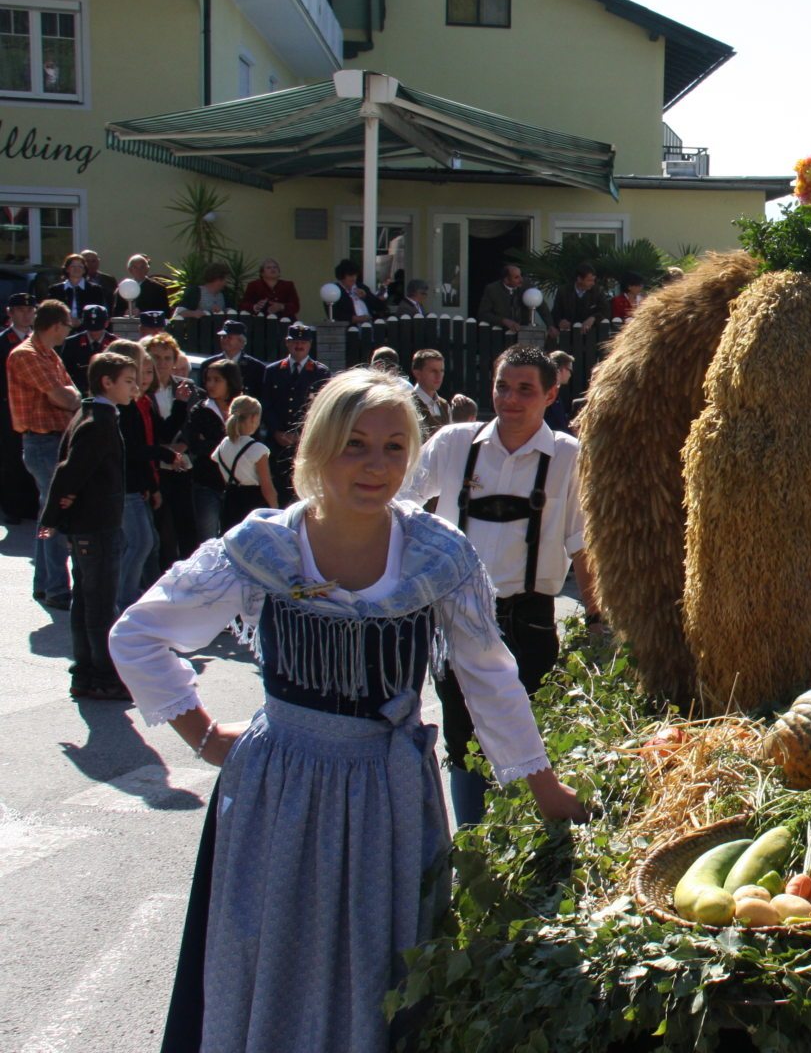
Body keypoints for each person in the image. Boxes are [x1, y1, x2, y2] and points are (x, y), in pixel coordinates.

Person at [109, 369, 587, 1052]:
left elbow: (490, 680)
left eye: (395, 448)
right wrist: (206, 735)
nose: (376, 465)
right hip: (280, 794)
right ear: (318, 448)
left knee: (376, 965)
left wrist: (546, 790)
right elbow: (137, 634)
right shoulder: (265, 547)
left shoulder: (437, 554)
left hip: (385, 797)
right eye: (356, 445)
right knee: (270, 952)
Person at [403, 345, 599, 825]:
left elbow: (581, 544)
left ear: (551, 394)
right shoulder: (452, 444)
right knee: (463, 741)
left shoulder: (569, 457)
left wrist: (596, 618)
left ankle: (519, 838)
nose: (510, 399)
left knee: (528, 742)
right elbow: (400, 507)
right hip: (455, 617)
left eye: (525, 389)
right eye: (502, 387)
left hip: (528, 618)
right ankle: (472, 844)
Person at [41, 349, 137, 701]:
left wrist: (66, 504)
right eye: (128, 381)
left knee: (85, 600)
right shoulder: (98, 421)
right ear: (106, 382)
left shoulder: (91, 412)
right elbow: (70, 469)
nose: (135, 387)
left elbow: (72, 468)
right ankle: (103, 676)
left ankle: (85, 672)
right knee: (99, 604)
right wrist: (56, 510)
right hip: (97, 526)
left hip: (90, 524)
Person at [10, 298, 79, 608]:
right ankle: (56, 589)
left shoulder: (48, 354)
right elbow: (64, 396)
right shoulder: (25, 355)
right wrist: (70, 396)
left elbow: (72, 392)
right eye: (66, 326)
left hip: (54, 441)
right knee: (56, 515)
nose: (68, 331)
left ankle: (44, 585)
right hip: (41, 443)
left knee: (47, 516)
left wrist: (71, 396)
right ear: (55, 326)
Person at [109, 339, 162, 609]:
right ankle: (123, 600)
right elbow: (133, 449)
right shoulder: (120, 407)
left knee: (142, 542)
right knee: (140, 542)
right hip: (123, 486)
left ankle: (125, 596)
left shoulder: (135, 403)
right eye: (141, 367)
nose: (144, 374)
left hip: (134, 484)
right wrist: (163, 455)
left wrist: (150, 484)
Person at [259, 323, 331, 504]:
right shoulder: (273, 371)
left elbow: (322, 408)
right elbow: (266, 405)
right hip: (277, 444)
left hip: (305, 444)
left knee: (304, 494)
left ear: (310, 344)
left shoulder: (320, 372)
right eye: (295, 341)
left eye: (304, 342)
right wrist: (276, 431)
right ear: (287, 343)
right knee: (279, 493)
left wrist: (301, 434)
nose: (299, 346)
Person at [144, 332, 197, 566]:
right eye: (156, 357)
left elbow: (195, 422)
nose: (162, 363)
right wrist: (163, 448)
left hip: (183, 464)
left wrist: (184, 444)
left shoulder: (186, 387)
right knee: (162, 527)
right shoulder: (143, 389)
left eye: (167, 357)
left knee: (186, 522)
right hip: (155, 465)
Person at [179, 359, 243, 544]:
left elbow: (247, 443)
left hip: (236, 486)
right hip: (207, 483)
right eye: (208, 380)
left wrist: (212, 442)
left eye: (217, 380)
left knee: (234, 539)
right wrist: (224, 443)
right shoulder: (201, 410)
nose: (210, 385)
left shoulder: (241, 409)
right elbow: (196, 446)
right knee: (208, 541)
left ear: (229, 381)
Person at [1, 292, 41, 523]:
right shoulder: (3, 341)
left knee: (33, 458)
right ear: (11, 313)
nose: (26, 315)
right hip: (8, 409)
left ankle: (30, 505)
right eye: (21, 310)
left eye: (30, 310)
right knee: (12, 459)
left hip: (35, 409)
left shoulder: (37, 341)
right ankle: (13, 508)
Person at [212, 395, 277, 528]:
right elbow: (267, 487)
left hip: (229, 502)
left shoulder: (223, 445)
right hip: (252, 504)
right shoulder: (257, 449)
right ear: (253, 418)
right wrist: (276, 511)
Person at [198, 318, 265, 398]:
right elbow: (202, 394)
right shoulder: (208, 365)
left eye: (229, 337)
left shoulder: (256, 368)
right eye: (223, 337)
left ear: (241, 341)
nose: (225, 340)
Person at [551, 264, 605, 343]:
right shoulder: (563, 291)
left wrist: (593, 318)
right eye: (589, 280)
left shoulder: (597, 292)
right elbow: (556, 311)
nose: (592, 283)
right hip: (568, 337)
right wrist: (560, 321)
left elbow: (605, 310)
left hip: (590, 338)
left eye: (593, 280)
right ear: (579, 279)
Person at [60, 303, 116, 380]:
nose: (94, 332)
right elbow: (64, 372)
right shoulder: (72, 343)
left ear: (106, 323)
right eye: (91, 328)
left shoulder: (114, 343)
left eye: (97, 327)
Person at [42, 252, 109, 312]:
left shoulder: (95, 289)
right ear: (67, 269)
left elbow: (101, 312)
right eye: (73, 266)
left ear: (84, 270)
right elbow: (50, 312)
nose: (76, 269)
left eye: (80, 266)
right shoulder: (55, 290)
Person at [477, 264, 534, 332]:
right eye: (516, 277)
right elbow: (483, 314)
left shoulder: (526, 285)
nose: (521, 280)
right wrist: (503, 321)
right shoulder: (492, 289)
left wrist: (549, 325)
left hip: (523, 332)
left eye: (521, 275)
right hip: (500, 333)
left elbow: (541, 305)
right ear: (506, 280)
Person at [327, 259, 386, 324]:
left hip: (368, 327)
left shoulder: (361, 287)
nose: (354, 278)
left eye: (355, 275)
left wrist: (365, 297)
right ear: (342, 276)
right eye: (350, 275)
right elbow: (334, 314)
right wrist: (355, 319)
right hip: (349, 329)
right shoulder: (334, 290)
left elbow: (380, 307)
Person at [410, 349, 450, 439]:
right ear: (417, 373)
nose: (439, 376)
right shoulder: (407, 404)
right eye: (433, 371)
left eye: (441, 371)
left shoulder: (444, 405)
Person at [545, 350, 575, 433]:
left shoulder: (554, 392)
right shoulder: (547, 393)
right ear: (561, 369)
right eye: (570, 370)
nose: (570, 374)